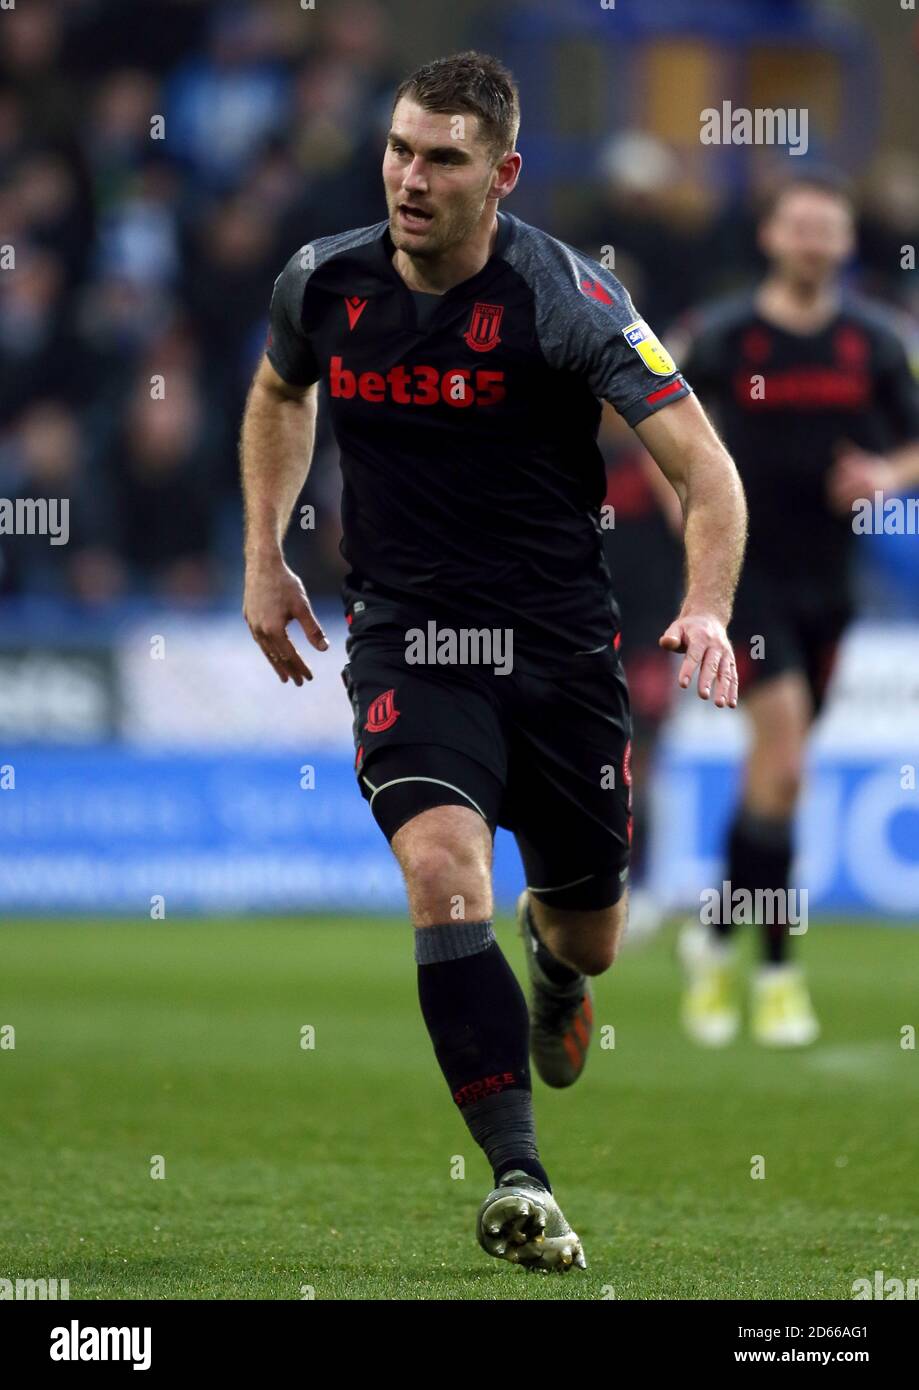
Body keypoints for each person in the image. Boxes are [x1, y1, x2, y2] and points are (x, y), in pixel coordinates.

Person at [240, 51, 745, 1273]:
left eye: (444, 160)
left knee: (588, 940)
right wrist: (265, 551)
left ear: (502, 174)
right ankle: (521, 1176)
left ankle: (555, 976)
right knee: (439, 865)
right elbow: (277, 393)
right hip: (408, 636)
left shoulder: (565, 298)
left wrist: (709, 608)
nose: (411, 179)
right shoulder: (323, 279)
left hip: (562, 655)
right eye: (400, 150)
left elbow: (704, 470)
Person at [673, 175, 919, 1048]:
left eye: (830, 229)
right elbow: (664, 426)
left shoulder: (870, 343)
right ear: (772, 236)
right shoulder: (728, 336)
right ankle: (776, 973)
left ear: (846, 245)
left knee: (770, 777)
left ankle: (709, 941)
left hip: (830, 585)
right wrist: (694, 531)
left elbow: (909, 439)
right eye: (800, 225)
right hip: (747, 580)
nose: (813, 241)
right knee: (783, 763)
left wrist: (887, 475)